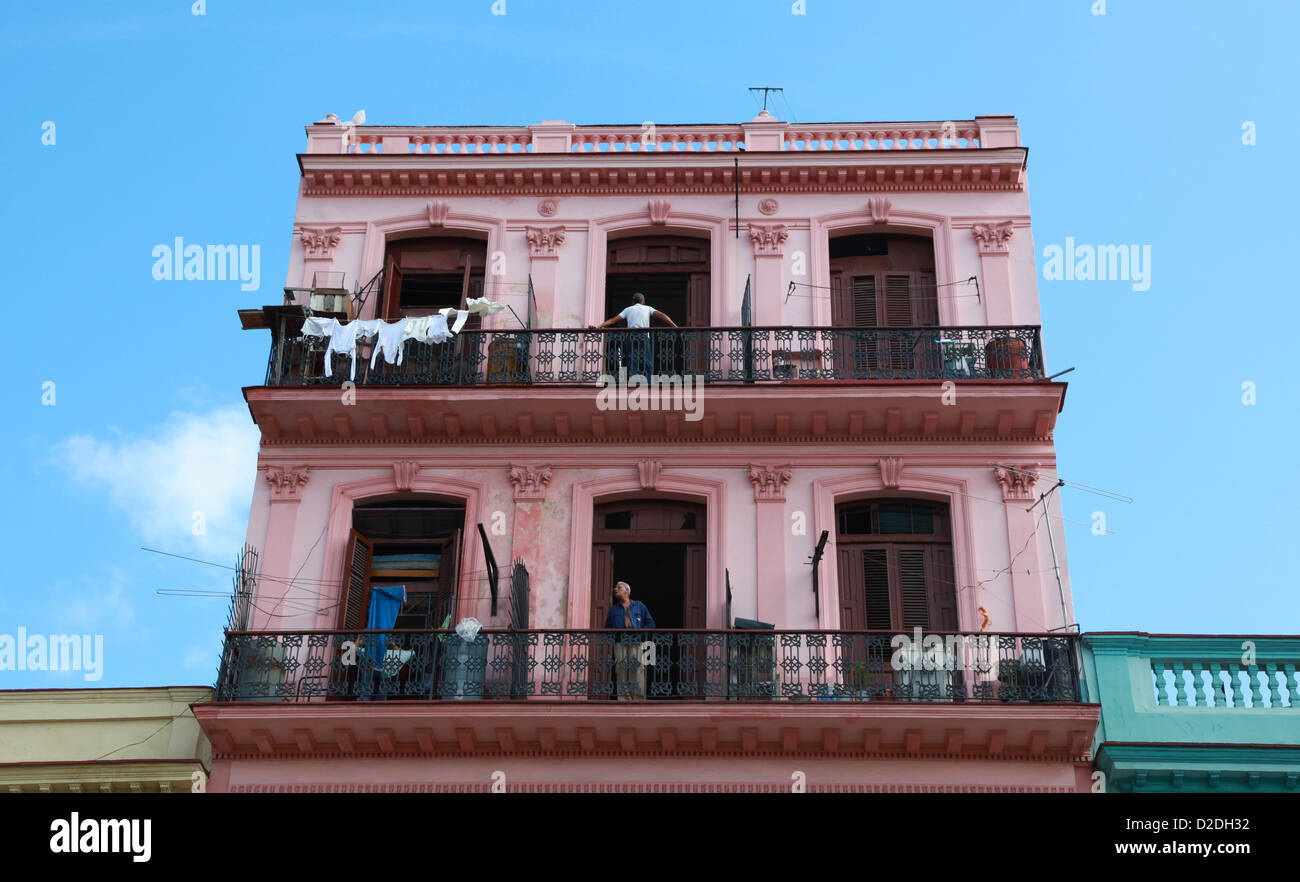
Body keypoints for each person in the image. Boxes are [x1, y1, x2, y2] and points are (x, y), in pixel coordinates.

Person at [590, 292, 678, 379]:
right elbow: (662, 315)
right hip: (643, 336)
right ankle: (650, 381)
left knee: (632, 360)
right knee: (647, 359)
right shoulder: (648, 308)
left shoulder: (628, 309)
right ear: (643, 302)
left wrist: (598, 327)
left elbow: (613, 320)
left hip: (631, 337)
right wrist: (675, 327)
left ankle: (634, 381)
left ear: (632, 302)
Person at [602, 581, 656, 699]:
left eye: (619, 587)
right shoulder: (613, 610)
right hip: (620, 642)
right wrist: (614, 639)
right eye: (616, 588)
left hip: (636, 641)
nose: (615, 589)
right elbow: (607, 628)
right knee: (620, 669)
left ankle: (637, 698)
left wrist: (641, 634)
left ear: (627, 590)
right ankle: (623, 699)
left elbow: (650, 623)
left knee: (637, 669)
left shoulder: (639, 606)